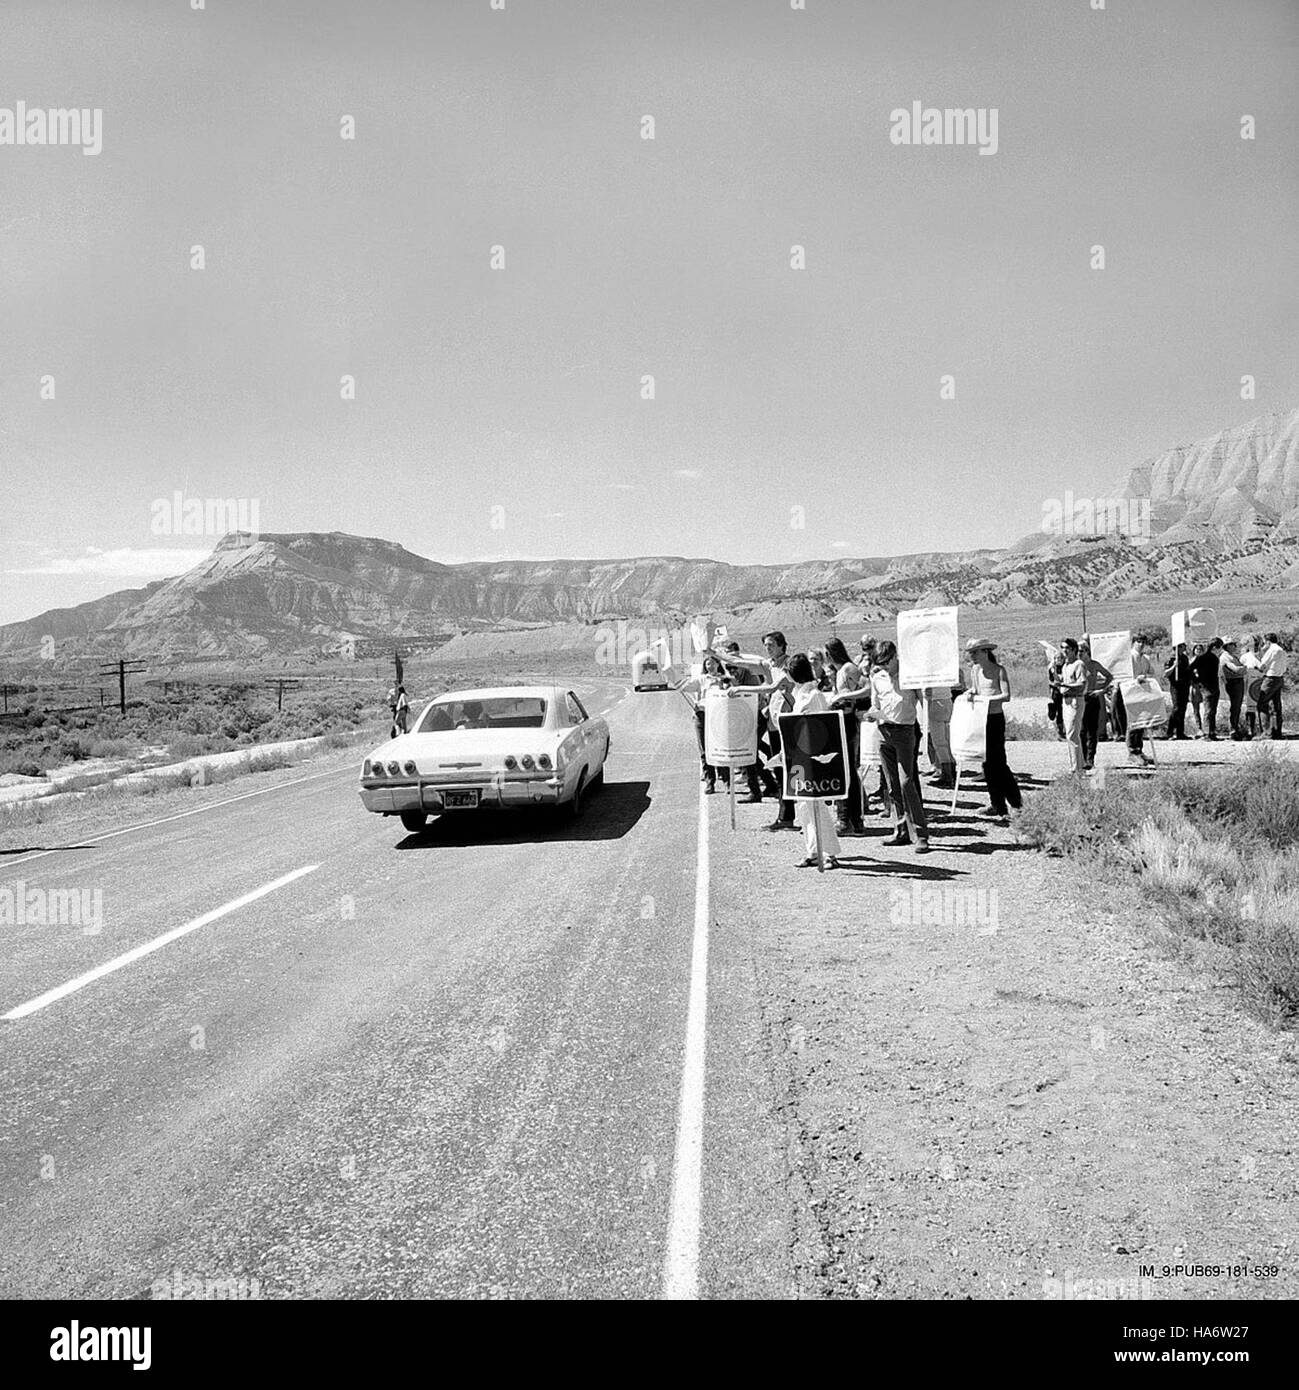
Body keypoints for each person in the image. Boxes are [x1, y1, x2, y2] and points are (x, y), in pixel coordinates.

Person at [863, 641, 930, 853]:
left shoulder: (910, 676)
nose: (883, 667)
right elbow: (876, 704)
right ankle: (900, 830)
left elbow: (923, 702)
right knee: (892, 786)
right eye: (879, 664)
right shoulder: (877, 678)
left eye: (886, 663)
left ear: (894, 657)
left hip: (905, 732)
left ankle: (921, 834)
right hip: (884, 732)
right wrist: (871, 714)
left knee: (906, 782)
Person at [784, 653, 841, 869]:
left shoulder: (814, 695)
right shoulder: (800, 694)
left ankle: (830, 853)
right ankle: (813, 850)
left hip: (814, 759)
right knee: (804, 807)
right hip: (799, 758)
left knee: (817, 806)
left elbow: (820, 727)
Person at [963, 638, 1023, 820]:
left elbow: (1006, 695)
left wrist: (988, 700)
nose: (971, 656)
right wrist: (971, 693)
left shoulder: (999, 670)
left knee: (999, 763)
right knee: (986, 764)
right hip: (980, 719)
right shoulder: (975, 670)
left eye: (974, 652)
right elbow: (975, 689)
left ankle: (1017, 804)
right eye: (970, 652)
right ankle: (997, 804)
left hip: (995, 720)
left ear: (985, 652)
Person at [746, 631, 797, 830]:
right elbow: (742, 662)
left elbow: (771, 689)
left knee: (788, 770)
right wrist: (716, 654)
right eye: (766, 645)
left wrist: (742, 689)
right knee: (779, 769)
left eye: (771, 645)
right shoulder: (770, 666)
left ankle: (789, 814)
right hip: (774, 726)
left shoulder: (789, 666)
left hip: (788, 725)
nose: (768, 648)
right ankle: (785, 815)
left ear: (782, 645)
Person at [824, 636, 868, 835]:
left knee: (846, 771)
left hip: (848, 722)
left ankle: (847, 819)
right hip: (839, 720)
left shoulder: (849, 669)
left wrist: (843, 697)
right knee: (844, 770)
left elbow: (866, 688)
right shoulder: (838, 671)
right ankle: (852, 819)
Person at [718, 640, 765, 801]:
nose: (732, 670)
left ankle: (759, 789)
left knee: (750, 754)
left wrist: (736, 686)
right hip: (745, 717)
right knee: (752, 754)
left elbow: (754, 696)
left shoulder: (748, 671)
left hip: (757, 715)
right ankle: (769, 785)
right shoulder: (731, 672)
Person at [680, 653, 732, 793]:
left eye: (713, 663)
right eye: (708, 663)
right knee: (704, 751)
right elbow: (685, 686)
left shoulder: (725, 679)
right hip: (701, 716)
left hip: (718, 717)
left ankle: (727, 782)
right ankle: (710, 782)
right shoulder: (701, 679)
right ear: (705, 666)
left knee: (720, 749)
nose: (711, 666)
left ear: (718, 664)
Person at [1078, 639, 1113, 771]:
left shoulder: (1094, 665)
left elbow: (1109, 677)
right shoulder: (1077, 665)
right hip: (1081, 698)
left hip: (1092, 698)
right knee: (1081, 730)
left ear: (1087, 651)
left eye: (1081, 651)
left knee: (1092, 730)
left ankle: (1090, 759)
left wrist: (1102, 689)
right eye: (1078, 651)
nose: (1079, 654)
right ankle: (1082, 757)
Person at [1256, 632, 1287, 739]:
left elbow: (1262, 666)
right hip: (1279, 678)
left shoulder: (1271, 650)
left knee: (1262, 704)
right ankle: (1277, 732)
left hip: (1270, 679)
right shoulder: (1282, 651)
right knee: (1276, 706)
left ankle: (1266, 732)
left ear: (1267, 641)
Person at [1191, 639, 1222, 740]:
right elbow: (1190, 670)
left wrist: (1198, 680)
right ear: (1214, 647)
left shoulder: (1208, 658)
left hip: (1211, 686)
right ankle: (1208, 732)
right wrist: (1198, 680)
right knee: (1209, 710)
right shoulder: (1204, 658)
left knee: (1212, 710)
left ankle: (1211, 732)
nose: (1220, 650)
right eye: (1219, 648)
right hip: (1208, 687)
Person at [1164, 642, 1191, 739]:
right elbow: (1166, 674)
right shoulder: (1171, 659)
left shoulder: (1184, 658)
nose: (1184, 647)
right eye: (1182, 646)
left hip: (1185, 685)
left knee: (1183, 708)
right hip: (1175, 686)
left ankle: (1180, 732)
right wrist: (1174, 666)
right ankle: (1170, 731)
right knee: (1176, 708)